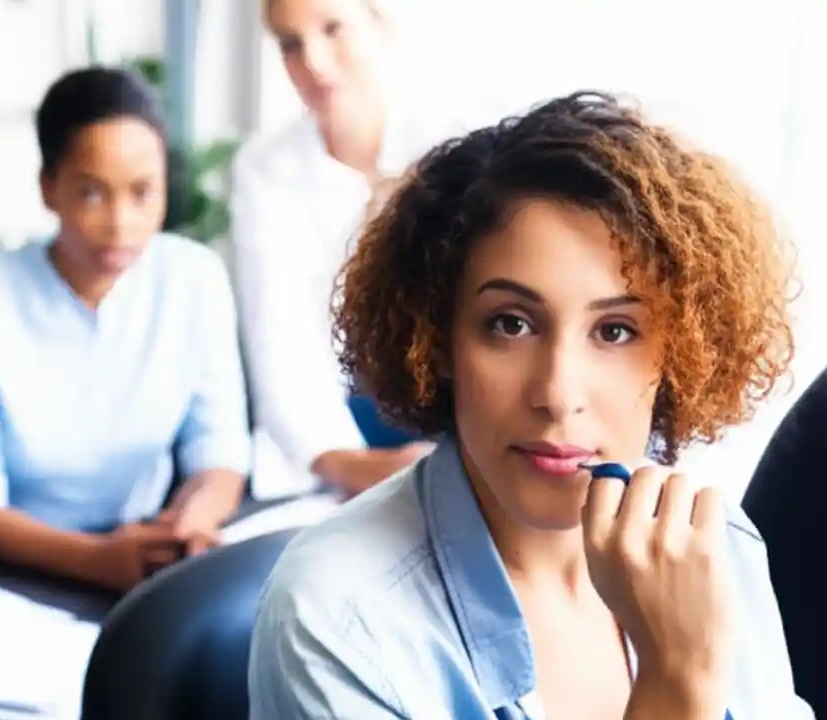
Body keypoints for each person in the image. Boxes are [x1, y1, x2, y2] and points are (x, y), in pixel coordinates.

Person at [248, 92, 810, 718]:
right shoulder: (340, 617)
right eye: (510, 324)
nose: (558, 393)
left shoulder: (717, 548)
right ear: (434, 340)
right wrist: (679, 678)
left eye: (616, 331)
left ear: (679, 356)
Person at [0, 67, 250, 594]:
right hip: (16, 573)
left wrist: (194, 519)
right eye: (92, 194)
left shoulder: (195, 278)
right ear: (49, 188)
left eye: (143, 193)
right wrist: (95, 560)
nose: (121, 222)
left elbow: (219, 447)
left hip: (145, 560)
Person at [232, 0, 436, 499]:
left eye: (333, 29)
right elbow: (278, 338)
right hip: (334, 438)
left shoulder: (456, 137)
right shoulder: (266, 170)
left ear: (380, 22)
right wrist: (347, 465)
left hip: (457, 416)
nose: (314, 63)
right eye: (290, 44)